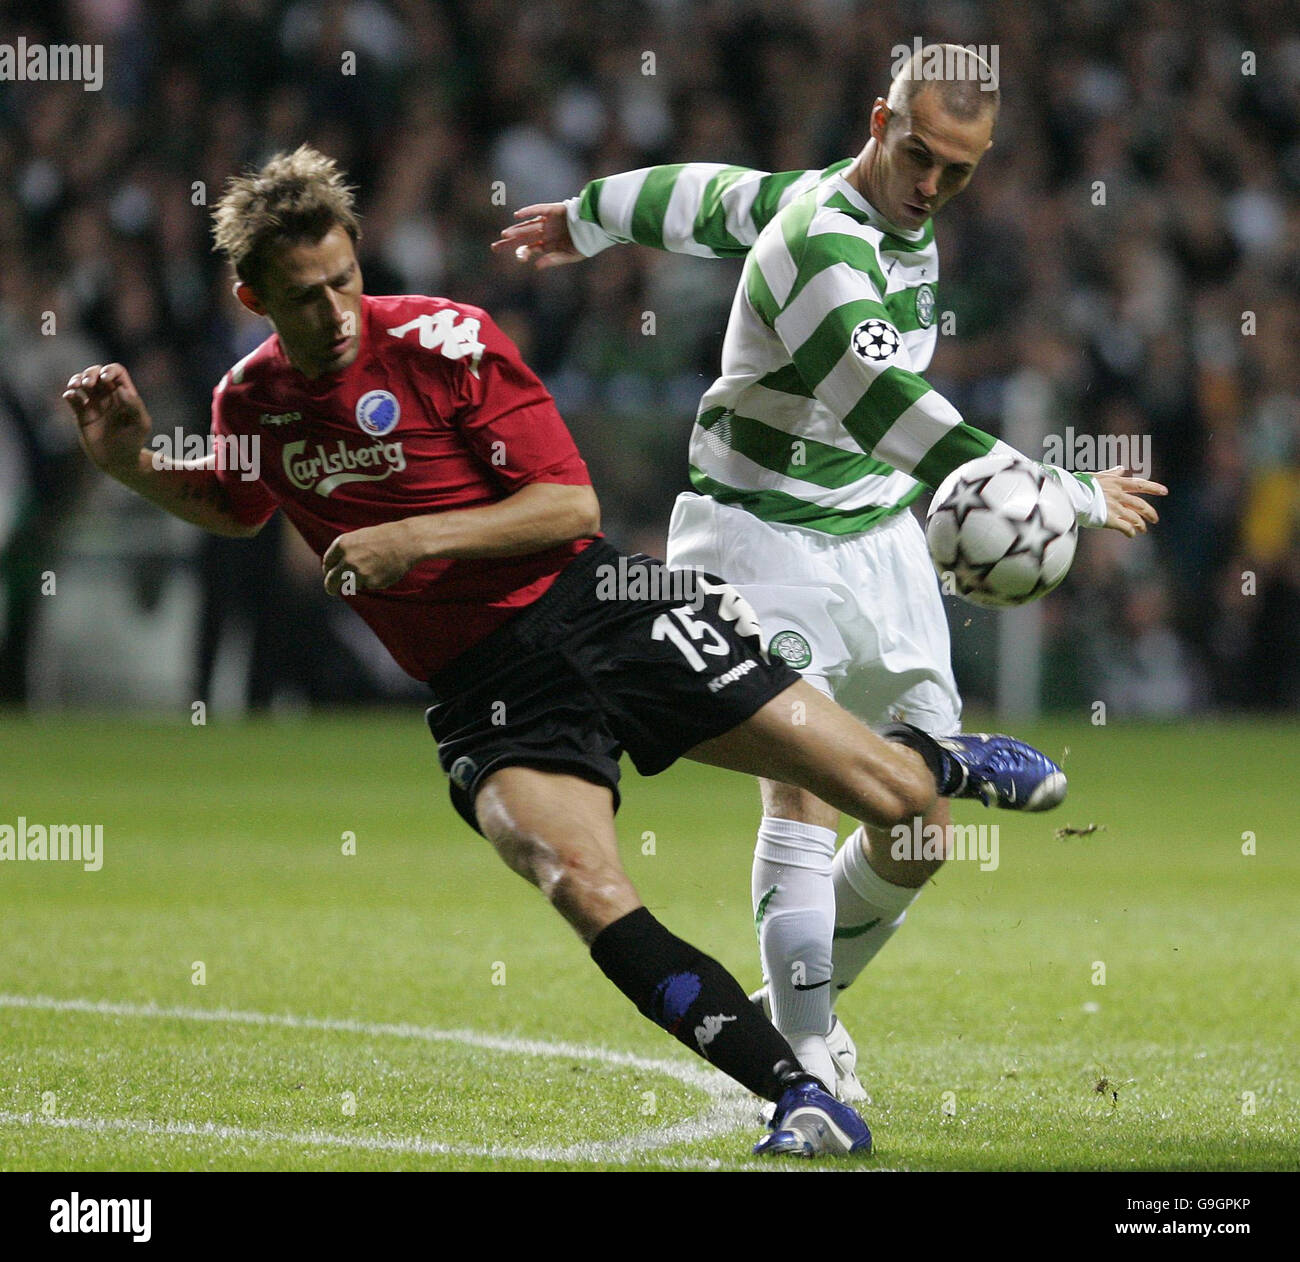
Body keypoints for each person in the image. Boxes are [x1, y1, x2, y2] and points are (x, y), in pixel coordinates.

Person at [65, 144, 1070, 1159]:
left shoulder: (447, 342)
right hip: (485, 689)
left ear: (359, 259)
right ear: (253, 296)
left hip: (602, 609)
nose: (333, 312)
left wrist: (417, 539)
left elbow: (567, 507)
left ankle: (942, 758)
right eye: (303, 296)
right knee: (578, 882)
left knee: (899, 803)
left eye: (344, 281)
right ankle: (801, 1093)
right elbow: (236, 506)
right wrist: (131, 464)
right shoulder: (254, 401)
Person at [495, 45, 1167, 1098]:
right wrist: (1059, 489)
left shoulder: (868, 206)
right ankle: (803, 1064)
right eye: (916, 155)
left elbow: (710, 194)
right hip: (756, 528)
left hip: (876, 531)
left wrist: (587, 217)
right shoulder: (818, 242)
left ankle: (803, 997)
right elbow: (884, 410)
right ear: (875, 120)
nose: (931, 185)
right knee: (803, 784)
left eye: (958, 168)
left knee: (917, 828)